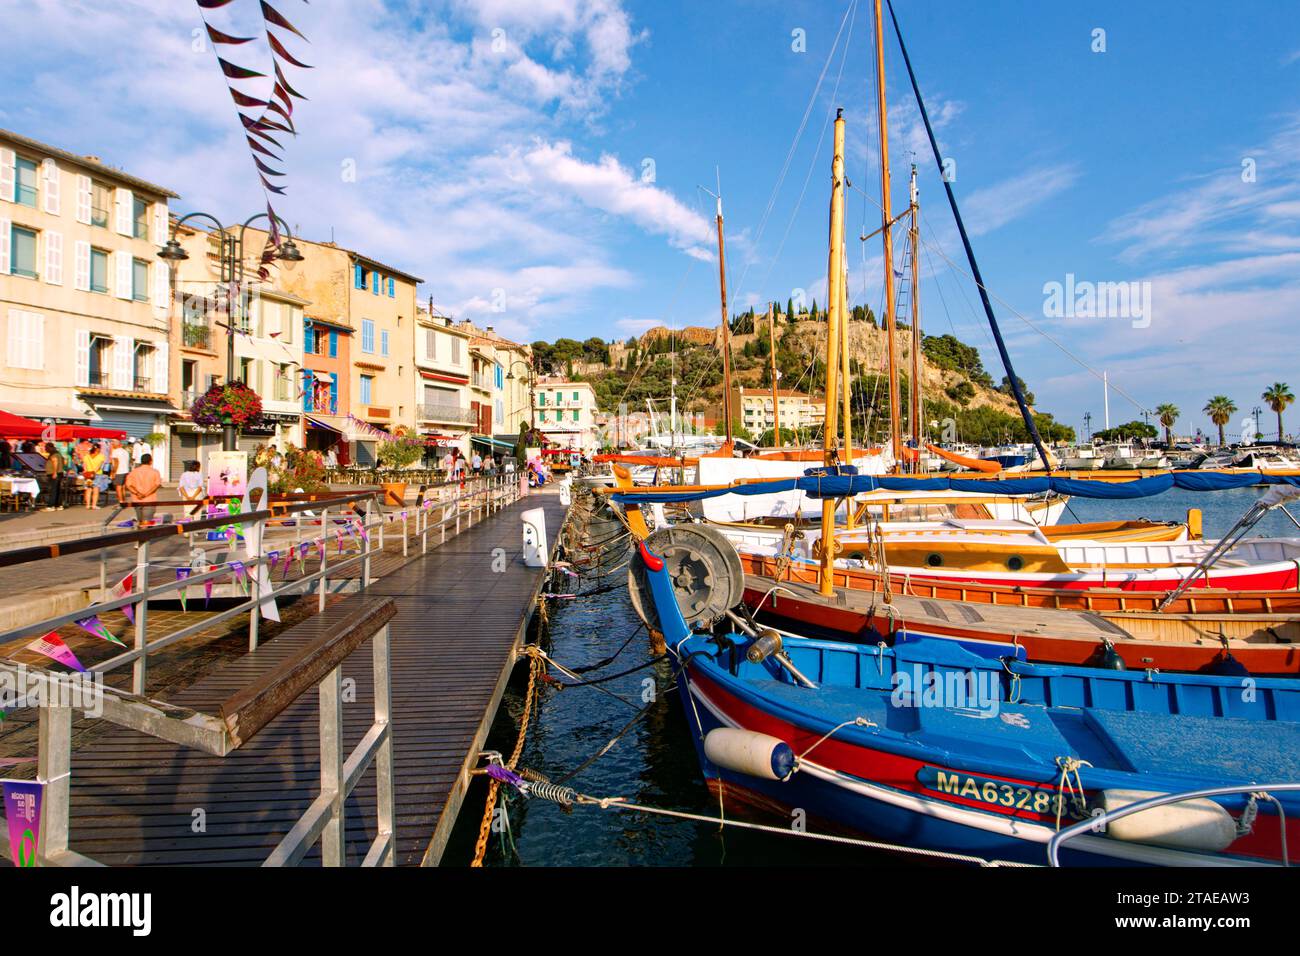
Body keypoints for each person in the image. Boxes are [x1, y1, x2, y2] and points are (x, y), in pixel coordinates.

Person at [124, 453, 163, 524]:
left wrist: (138, 493)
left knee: (140, 521)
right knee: (146, 522)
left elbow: (128, 485)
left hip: (136, 500)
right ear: (150, 461)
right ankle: (144, 533)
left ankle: (139, 533)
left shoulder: (133, 472)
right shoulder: (155, 472)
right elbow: (156, 485)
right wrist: (146, 494)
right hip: (150, 500)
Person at [81, 442, 106, 509]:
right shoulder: (101, 456)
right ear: (98, 449)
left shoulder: (86, 456)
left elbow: (84, 465)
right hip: (97, 474)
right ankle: (94, 505)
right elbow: (99, 466)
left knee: (88, 490)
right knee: (96, 490)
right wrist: (93, 472)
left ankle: (88, 505)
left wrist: (87, 472)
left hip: (88, 475)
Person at [110, 440, 131, 505]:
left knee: (118, 487)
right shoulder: (125, 451)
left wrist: (113, 472)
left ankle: (121, 501)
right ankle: (123, 500)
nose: (112, 445)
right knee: (123, 487)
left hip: (119, 471)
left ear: (116, 444)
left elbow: (116, 462)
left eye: (113, 443)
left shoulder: (115, 452)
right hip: (126, 470)